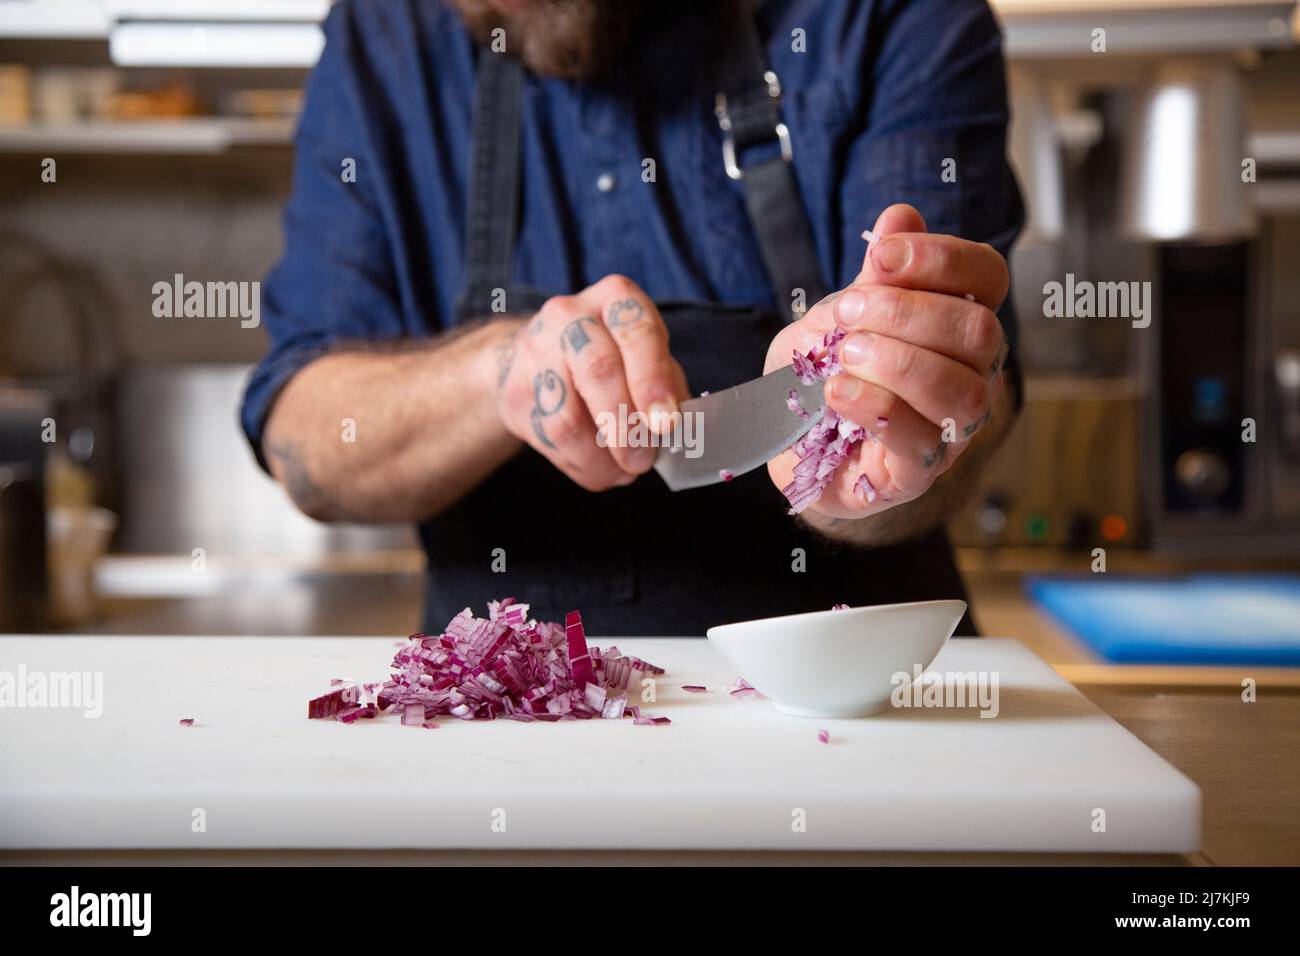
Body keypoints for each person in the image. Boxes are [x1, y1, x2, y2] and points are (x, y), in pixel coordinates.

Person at [241, 0, 1025, 635]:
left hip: (864, 711)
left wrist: (887, 429)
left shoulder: (889, 16)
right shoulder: (381, 38)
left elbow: (967, 388)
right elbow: (307, 435)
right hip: (498, 735)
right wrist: (497, 376)